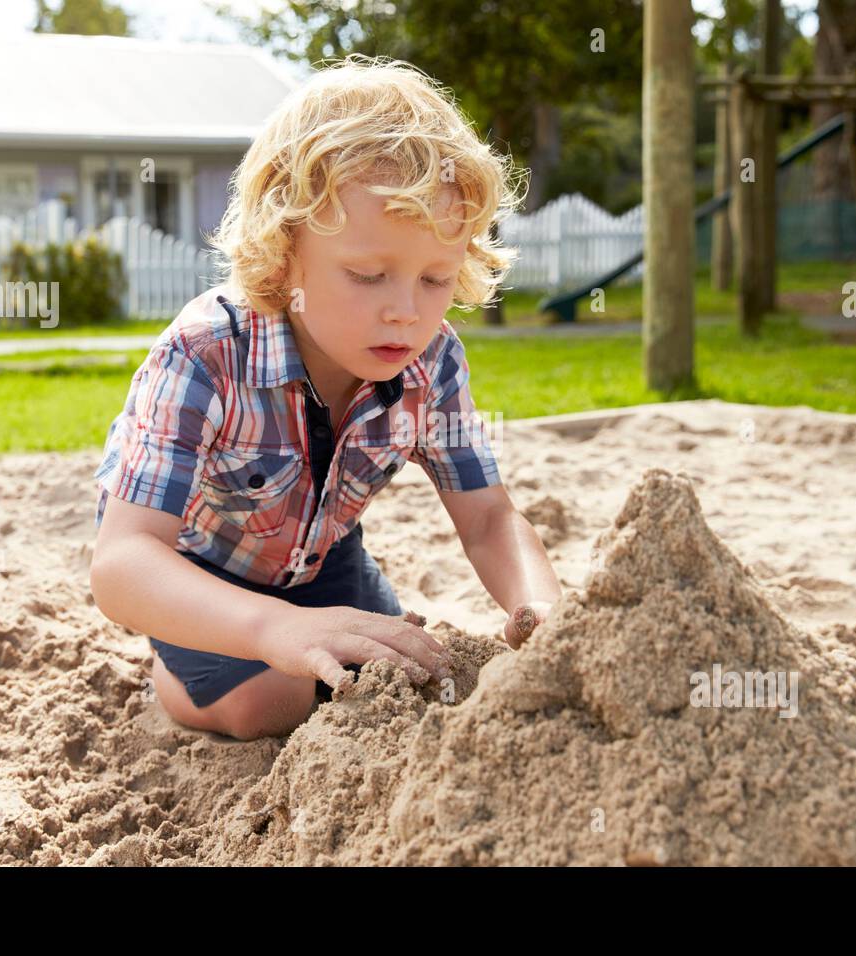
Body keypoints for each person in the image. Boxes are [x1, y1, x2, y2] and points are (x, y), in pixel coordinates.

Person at [90, 54, 561, 741]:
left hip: (321, 559)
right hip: (193, 570)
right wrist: (272, 627)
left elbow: (489, 518)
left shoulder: (433, 362)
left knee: (405, 675)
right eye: (369, 274)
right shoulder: (205, 352)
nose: (406, 310)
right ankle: (172, 669)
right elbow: (122, 565)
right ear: (284, 254)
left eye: (435, 278)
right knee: (269, 703)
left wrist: (539, 604)